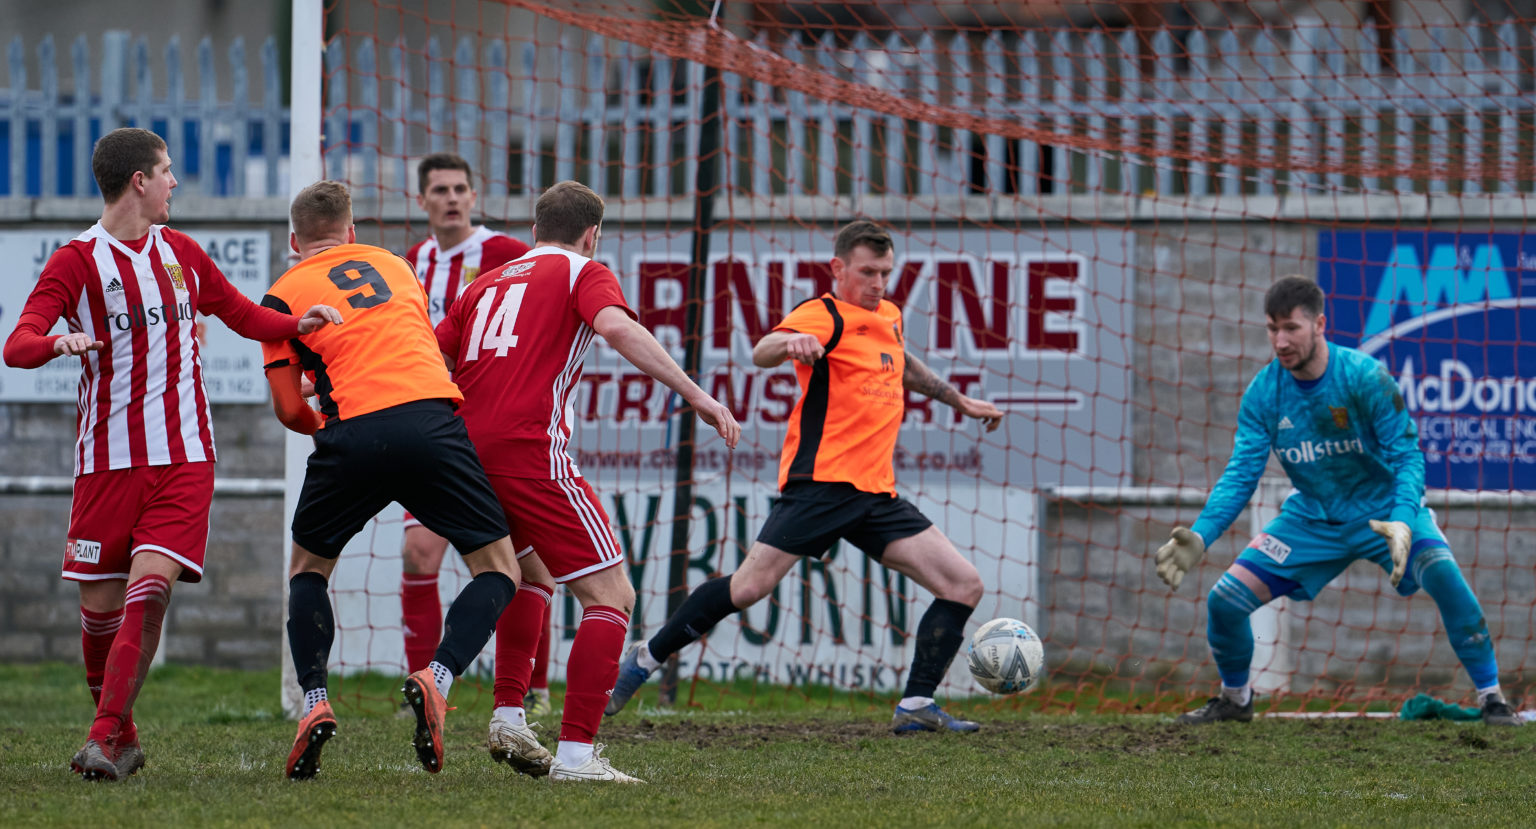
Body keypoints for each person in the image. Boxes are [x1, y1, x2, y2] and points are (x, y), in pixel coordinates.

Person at [1, 127, 341, 781]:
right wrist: (57, 343)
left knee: (149, 591)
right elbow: (17, 344)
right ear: (139, 182)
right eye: (166, 171)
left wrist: (295, 324)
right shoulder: (76, 261)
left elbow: (240, 312)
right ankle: (122, 735)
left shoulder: (182, 252)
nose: (174, 182)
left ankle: (101, 737)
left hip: (184, 457)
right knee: (99, 618)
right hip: (104, 462)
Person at [605, 220, 1005, 734]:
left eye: (885, 272)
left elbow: (899, 362)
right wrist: (792, 343)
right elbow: (762, 350)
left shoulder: (888, 316)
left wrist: (960, 400)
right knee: (749, 589)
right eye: (867, 271)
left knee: (962, 584)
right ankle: (646, 658)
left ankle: (916, 706)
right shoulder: (822, 314)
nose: (878, 282)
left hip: (875, 492)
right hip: (822, 483)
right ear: (838, 268)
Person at [437, 180, 740, 782]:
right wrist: (698, 397)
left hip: (465, 453)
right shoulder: (585, 270)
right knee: (613, 598)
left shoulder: (484, 283)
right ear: (591, 234)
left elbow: (430, 356)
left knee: (533, 575)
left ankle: (508, 715)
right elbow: (619, 329)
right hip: (529, 451)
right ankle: (577, 754)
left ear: (533, 230)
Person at [1154, 274, 1519, 727]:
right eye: (1272, 329)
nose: (1281, 341)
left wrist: (1404, 520)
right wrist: (1202, 535)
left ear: (1320, 324)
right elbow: (1241, 474)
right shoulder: (1264, 394)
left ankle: (1492, 700)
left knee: (1444, 575)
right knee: (1224, 602)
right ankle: (1235, 700)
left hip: (1386, 513)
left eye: (1291, 328)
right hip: (1313, 520)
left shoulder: (1364, 377)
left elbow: (1408, 457)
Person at [261, 180, 525, 780]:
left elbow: (286, 408)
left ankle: (314, 701)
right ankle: (437, 677)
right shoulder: (400, 267)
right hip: (431, 419)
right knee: (499, 567)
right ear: (352, 232)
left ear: (294, 241)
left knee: (308, 570)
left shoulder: (280, 296)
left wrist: (324, 419)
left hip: (352, 431)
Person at [394, 152, 549, 716]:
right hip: (435, 430)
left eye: (461, 188)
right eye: (440, 190)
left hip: (497, 427)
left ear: (474, 196)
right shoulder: (411, 263)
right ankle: (424, 691)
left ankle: (535, 687)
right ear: (423, 201)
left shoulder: (508, 255)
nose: (452, 198)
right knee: (418, 552)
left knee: (525, 560)